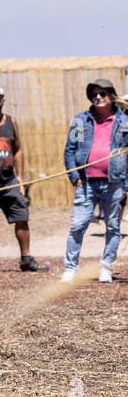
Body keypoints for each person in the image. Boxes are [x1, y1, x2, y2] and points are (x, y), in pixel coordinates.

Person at [62, 78, 128, 283]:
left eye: (103, 93)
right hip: (86, 182)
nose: (98, 97)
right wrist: (75, 177)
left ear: (112, 95)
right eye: (94, 94)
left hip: (115, 182)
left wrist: (126, 185)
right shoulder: (81, 120)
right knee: (78, 225)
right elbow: (70, 150)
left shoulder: (125, 122)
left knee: (113, 226)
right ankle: (70, 268)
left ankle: (106, 268)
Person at [0, 86, 47, 274]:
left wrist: (21, 179)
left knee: (22, 217)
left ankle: (26, 258)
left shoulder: (11, 121)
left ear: (3, 100)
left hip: (9, 182)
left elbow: (19, 150)